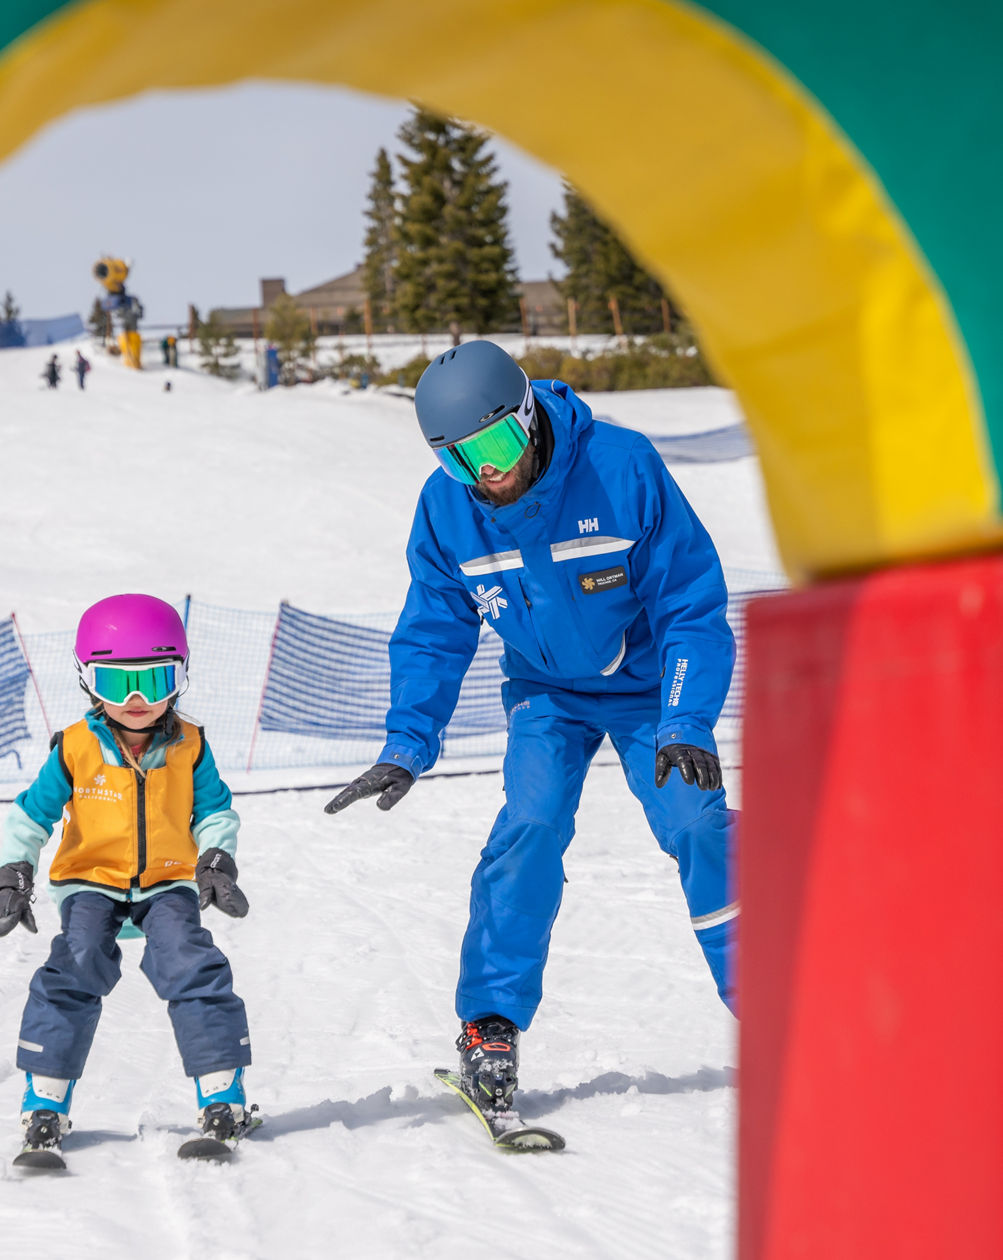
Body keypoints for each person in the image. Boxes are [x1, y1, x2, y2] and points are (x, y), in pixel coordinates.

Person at [325, 339, 738, 1111]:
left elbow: (688, 602)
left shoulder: (620, 467)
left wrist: (685, 718)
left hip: (649, 690)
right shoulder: (448, 510)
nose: (484, 471)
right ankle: (489, 1024)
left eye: (496, 444)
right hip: (547, 695)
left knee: (695, 823)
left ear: (529, 419)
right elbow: (432, 631)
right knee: (530, 826)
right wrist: (406, 744)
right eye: (459, 459)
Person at [0, 594, 252, 1160]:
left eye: (156, 679)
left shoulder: (190, 746)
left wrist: (215, 858)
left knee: (189, 958)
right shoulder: (76, 747)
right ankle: (46, 1102)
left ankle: (223, 1094)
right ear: (89, 682)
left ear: (180, 679)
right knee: (78, 958)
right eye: (117, 684)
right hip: (92, 879)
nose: (136, 701)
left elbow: (214, 811)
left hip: (167, 880)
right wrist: (15, 871)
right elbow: (31, 815)